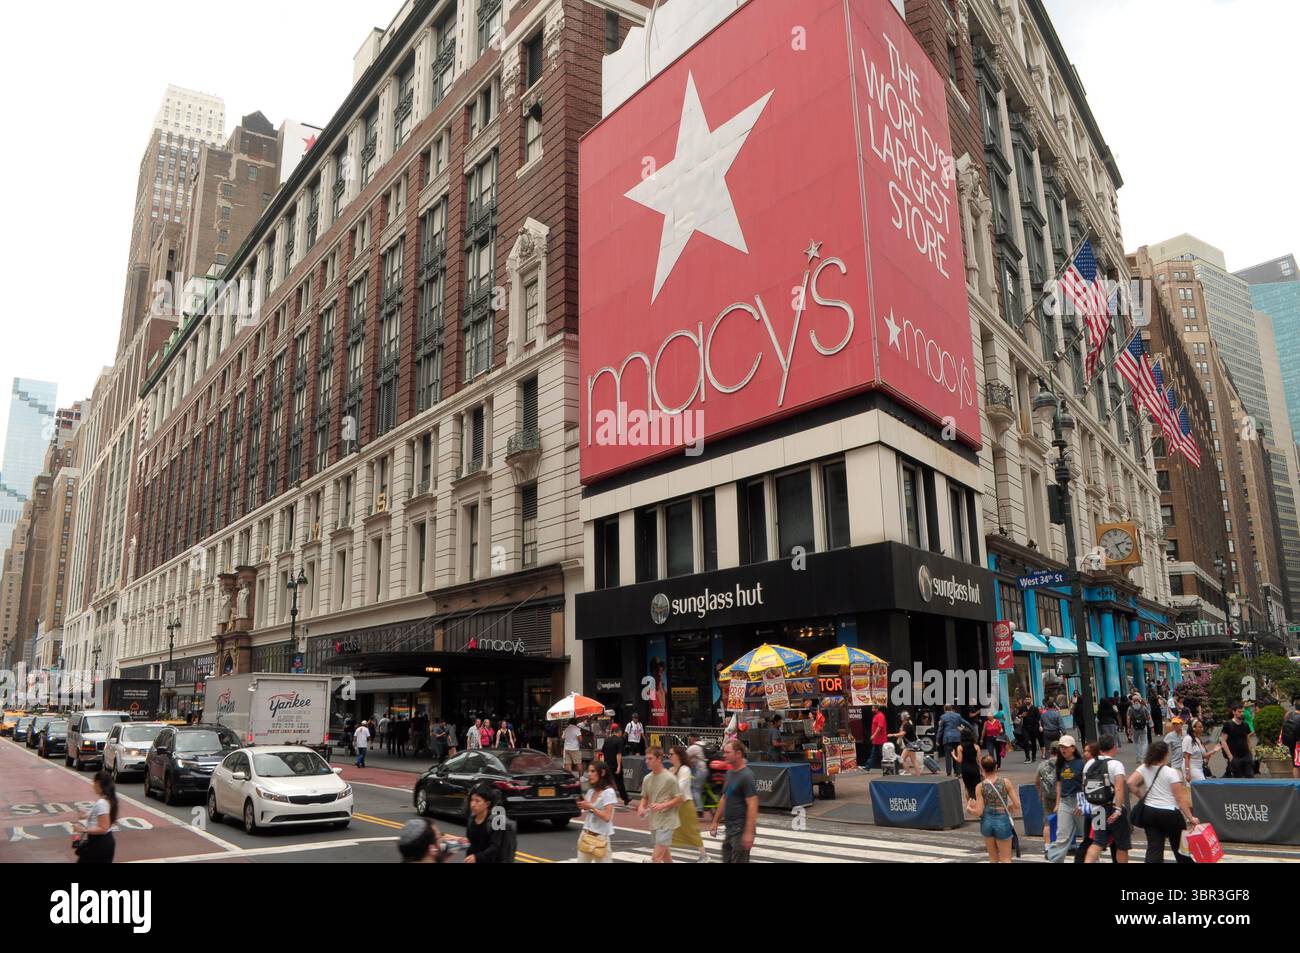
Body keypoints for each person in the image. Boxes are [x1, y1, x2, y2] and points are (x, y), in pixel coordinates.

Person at [1127, 741, 1196, 863]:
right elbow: (1179, 798)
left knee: (1154, 848)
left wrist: (1142, 797)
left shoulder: (1144, 767)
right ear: (1165, 754)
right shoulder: (1171, 772)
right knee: (1180, 849)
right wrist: (1190, 817)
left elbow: (1130, 783)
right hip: (1170, 813)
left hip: (1149, 812)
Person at [1083, 734, 1129, 864]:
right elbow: (1119, 788)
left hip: (1097, 807)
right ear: (1114, 747)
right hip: (1113, 808)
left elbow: (1085, 785)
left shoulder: (1089, 764)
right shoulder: (1116, 764)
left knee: (1098, 842)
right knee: (1122, 844)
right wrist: (1118, 809)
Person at [710, 739, 758, 863]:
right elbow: (725, 798)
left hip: (740, 829)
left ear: (738, 754)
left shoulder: (747, 776)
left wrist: (749, 832)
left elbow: (753, 805)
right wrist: (715, 821)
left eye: (727, 752)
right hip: (730, 827)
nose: (724, 755)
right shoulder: (730, 773)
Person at [967, 754, 1020, 863]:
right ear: (996, 767)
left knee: (993, 858)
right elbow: (1017, 805)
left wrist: (969, 809)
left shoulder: (980, 787)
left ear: (982, 768)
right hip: (1002, 819)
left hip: (987, 821)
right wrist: (1008, 808)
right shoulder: (1005, 782)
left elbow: (979, 812)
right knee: (1006, 859)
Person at [638, 746, 682, 863]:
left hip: (667, 822)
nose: (647, 761)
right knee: (666, 857)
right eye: (646, 758)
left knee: (656, 858)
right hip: (654, 821)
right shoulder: (647, 778)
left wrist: (663, 805)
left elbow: (679, 798)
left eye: (650, 758)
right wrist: (641, 807)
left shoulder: (670, 778)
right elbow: (645, 797)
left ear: (659, 759)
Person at [1047, 735, 1084, 863]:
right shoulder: (1060, 763)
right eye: (1061, 747)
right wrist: (1057, 803)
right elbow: (1059, 784)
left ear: (1073, 748)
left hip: (1079, 802)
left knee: (1088, 836)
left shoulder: (1081, 763)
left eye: (1066, 747)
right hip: (1064, 802)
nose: (1063, 750)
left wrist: (1083, 803)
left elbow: (1086, 784)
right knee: (1061, 837)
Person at [669, 746, 708, 862]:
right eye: (669, 754)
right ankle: (657, 857)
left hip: (685, 805)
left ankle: (704, 855)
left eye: (672, 754)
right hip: (676, 805)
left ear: (678, 756)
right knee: (666, 832)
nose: (669, 756)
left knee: (692, 832)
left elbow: (680, 787)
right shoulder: (672, 770)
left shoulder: (685, 769)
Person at [575, 761, 619, 863]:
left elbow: (607, 817)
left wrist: (591, 807)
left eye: (593, 771)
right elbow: (587, 808)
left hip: (600, 839)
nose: (589, 774)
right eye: (588, 771)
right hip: (585, 835)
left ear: (602, 773)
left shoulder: (608, 792)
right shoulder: (591, 792)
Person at [74, 771, 118, 864]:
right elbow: (99, 817)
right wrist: (86, 814)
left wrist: (84, 830)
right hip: (101, 843)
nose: (93, 786)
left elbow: (103, 828)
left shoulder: (102, 803)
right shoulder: (107, 799)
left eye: (94, 783)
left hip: (99, 844)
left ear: (99, 783)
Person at [464, 785, 511, 863]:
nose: (473, 804)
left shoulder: (496, 820)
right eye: (472, 800)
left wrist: (477, 857)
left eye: (477, 801)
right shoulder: (471, 819)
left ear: (487, 804)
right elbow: (471, 844)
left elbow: (495, 847)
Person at [1036, 741, 1060, 858]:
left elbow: (1037, 781)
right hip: (1061, 797)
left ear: (1050, 751)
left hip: (1047, 795)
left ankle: (1047, 847)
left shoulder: (1042, 765)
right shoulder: (1063, 764)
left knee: (1047, 822)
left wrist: (1040, 792)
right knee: (1064, 822)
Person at [1222, 703, 1255, 778]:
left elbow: (1248, 739)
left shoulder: (1245, 725)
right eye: (1239, 712)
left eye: (1243, 712)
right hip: (1235, 756)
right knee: (1238, 778)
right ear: (1234, 712)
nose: (1242, 713)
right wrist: (1230, 756)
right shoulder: (1228, 724)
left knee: (1250, 776)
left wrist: (1251, 752)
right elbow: (1223, 741)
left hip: (1246, 755)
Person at [953, 727, 982, 801]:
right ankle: (978, 802)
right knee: (977, 786)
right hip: (975, 768)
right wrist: (983, 771)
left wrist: (953, 755)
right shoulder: (976, 746)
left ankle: (969, 804)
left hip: (965, 768)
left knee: (967, 787)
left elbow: (959, 760)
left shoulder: (960, 747)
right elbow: (979, 760)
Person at [937, 704, 967, 776]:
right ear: (951, 708)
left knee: (948, 757)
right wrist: (970, 730)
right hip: (957, 738)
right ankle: (958, 773)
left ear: (944, 709)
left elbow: (940, 730)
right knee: (958, 754)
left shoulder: (943, 717)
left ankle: (949, 773)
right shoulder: (958, 715)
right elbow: (965, 723)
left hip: (947, 739)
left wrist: (937, 740)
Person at [603, 723, 629, 804]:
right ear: (619, 731)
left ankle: (605, 798)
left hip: (607, 764)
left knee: (607, 782)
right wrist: (619, 766)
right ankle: (625, 798)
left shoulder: (607, 740)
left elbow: (603, 752)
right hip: (615, 764)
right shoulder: (618, 740)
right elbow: (618, 754)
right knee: (619, 782)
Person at [891, 711, 921, 776]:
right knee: (902, 759)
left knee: (913, 760)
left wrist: (893, 735)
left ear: (903, 718)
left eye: (901, 717)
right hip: (910, 745)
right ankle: (908, 771)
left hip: (911, 745)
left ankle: (918, 775)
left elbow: (902, 733)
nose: (900, 718)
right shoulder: (906, 724)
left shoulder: (907, 724)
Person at [1128, 691, 1151, 763]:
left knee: (1136, 742)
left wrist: (1129, 728)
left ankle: (1138, 758)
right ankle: (1143, 758)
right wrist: (1149, 723)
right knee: (1144, 742)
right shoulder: (1143, 707)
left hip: (1135, 727)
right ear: (1139, 700)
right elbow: (1148, 717)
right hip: (1143, 726)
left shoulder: (1130, 708)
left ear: (1133, 701)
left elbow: (1128, 718)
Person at [1281, 695, 1300, 780]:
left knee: (1295, 765)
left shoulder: (1288, 715)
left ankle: (1297, 785)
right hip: (1299, 743)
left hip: (1292, 743)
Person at [1163, 717, 1186, 783]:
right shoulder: (1170, 735)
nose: (1175, 725)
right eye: (1174, 724)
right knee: (1177, 782)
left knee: (1186, 784)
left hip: (1186, 763)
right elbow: (1163, 746)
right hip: (1175, 763)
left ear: (1181, 724)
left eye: (1177, 724)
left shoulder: (1186, 734)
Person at [868, 706, 888, 771]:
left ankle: (887, 768)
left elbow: (879, 727)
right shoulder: (876, 716)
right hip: (876, 740)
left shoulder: (880, 716)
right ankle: (867, 767)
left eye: (873, 708)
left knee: (883, 755)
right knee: (873, 754)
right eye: (872, 708)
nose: (872, 710)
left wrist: (873, 735)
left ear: (877, 709)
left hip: (881, 740)